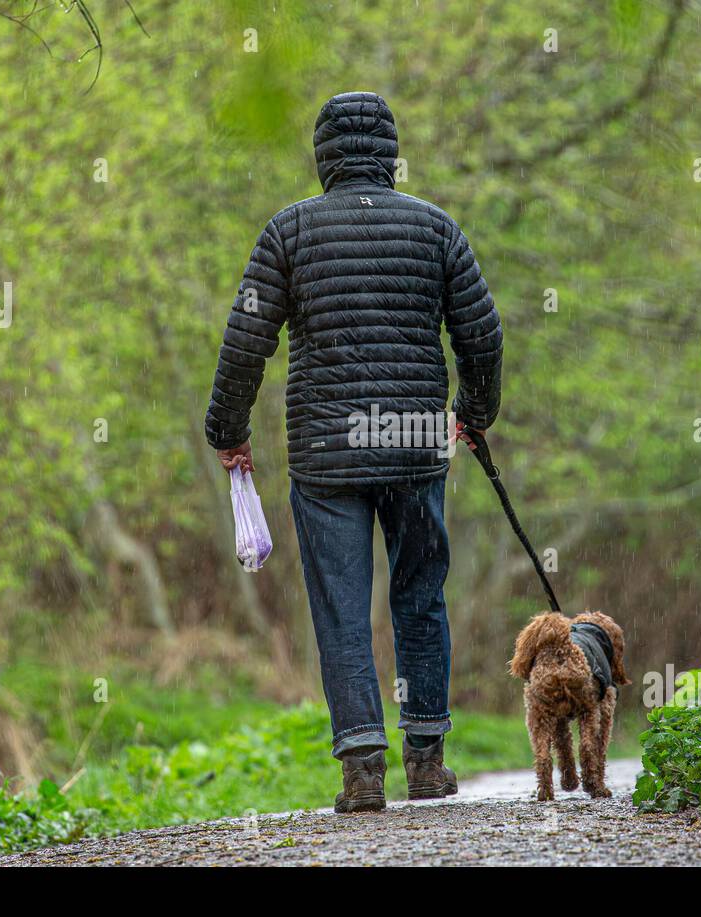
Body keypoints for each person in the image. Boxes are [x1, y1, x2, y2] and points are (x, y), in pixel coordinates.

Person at [204, 91, 503, 812]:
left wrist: (227, 430)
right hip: (411, 446)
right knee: (420, 595)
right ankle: (427, 760)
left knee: (340, 605)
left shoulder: (289, 231)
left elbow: (247, 337)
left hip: (326, 453)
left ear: (323, 156)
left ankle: (363, 768)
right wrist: (472, 413)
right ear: (390, 153)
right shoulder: (437, 229)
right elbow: (482, 334)